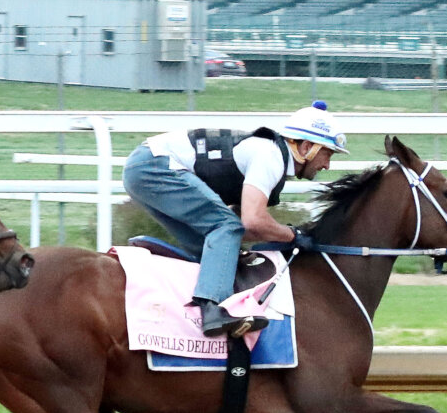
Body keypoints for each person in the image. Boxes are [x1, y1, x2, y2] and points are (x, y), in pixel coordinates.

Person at [122, 102, 346, 339]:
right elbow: (251, 221)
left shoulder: (271, 157)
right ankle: (213, 309)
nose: (327, 165)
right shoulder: (270, 157)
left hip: (144, 167)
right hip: (154, 165)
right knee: (226, 227)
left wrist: (280, 236)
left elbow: (244, 229)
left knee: (218, 243)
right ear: (307, 147)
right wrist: (294, 236)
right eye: (327, 153)